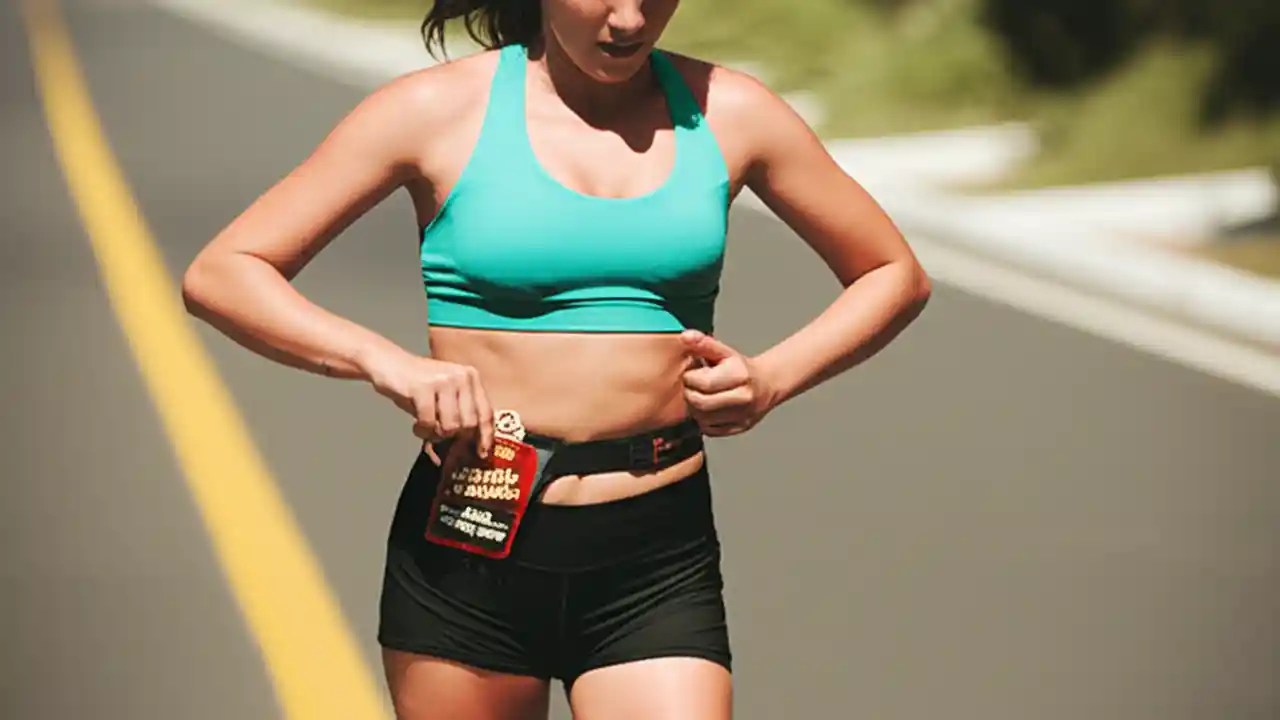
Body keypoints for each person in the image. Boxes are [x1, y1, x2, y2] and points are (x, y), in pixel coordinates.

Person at [181, 0, 931, 717]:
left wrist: (773, 378)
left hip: (656, 551)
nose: (630, 18)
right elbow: (225, 272)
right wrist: (387, 363)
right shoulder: (434, 111)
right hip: (472, 539)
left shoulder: (732, 111)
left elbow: (892, 272)